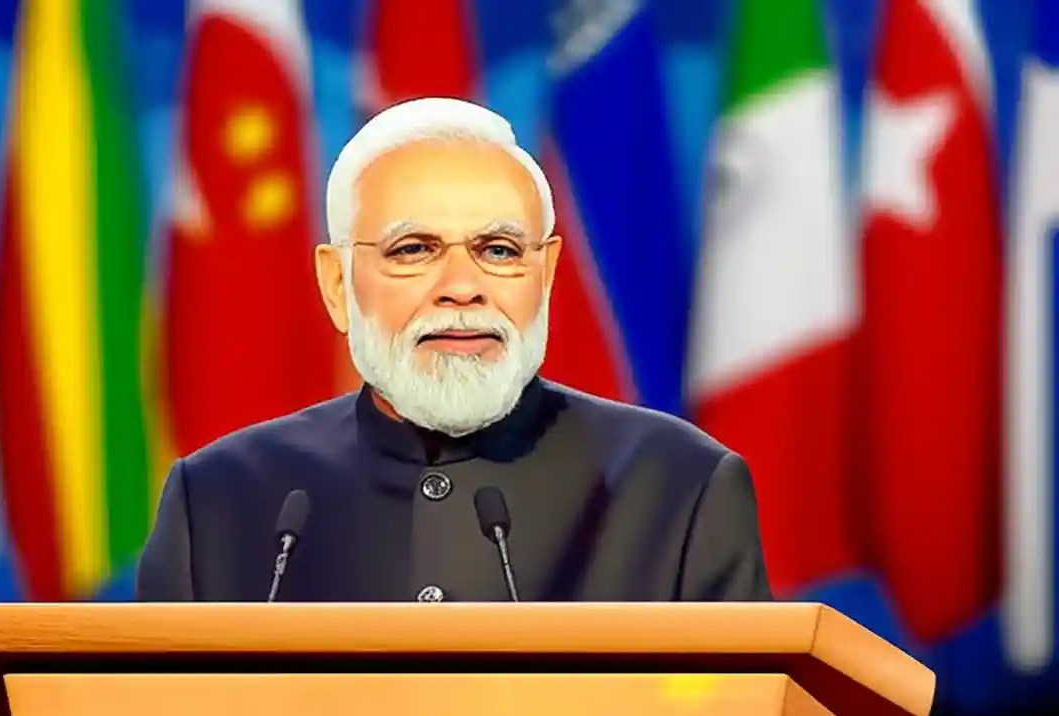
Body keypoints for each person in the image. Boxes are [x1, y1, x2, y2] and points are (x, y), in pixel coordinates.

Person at [136, 97, 772, 603]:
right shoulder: (221, 500)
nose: (462, 288)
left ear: (545, 275)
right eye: (413, 250)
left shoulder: (677, 486)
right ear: (337, 284)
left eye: (498, 250)